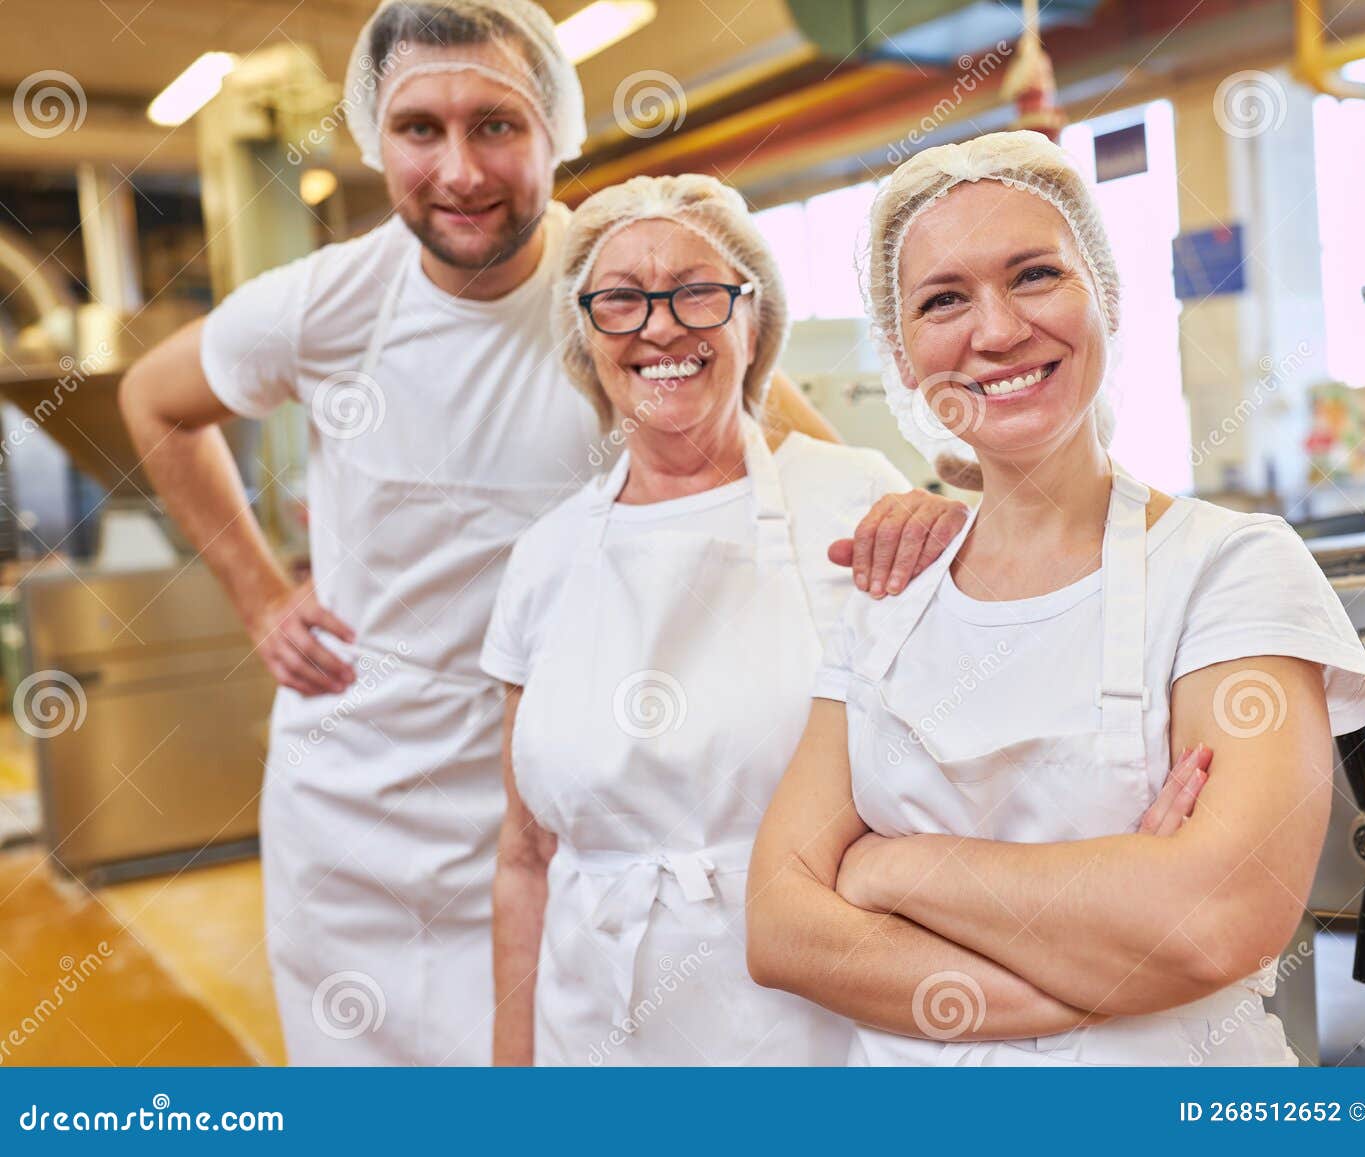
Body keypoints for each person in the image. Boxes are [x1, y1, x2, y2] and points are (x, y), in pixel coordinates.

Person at [117, 0, 949, 1065]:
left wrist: (914, 505)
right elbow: (154, 399)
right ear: (378, 137)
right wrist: (258, 595)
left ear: (557, 133)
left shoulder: (616, 290)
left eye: (497, 126)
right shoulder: (328, 304)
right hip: (356, 808)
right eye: (420, 129)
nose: (459, 170)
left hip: (571, 806)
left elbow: (788, 447)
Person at [746, 131, 1365, 1066]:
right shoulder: (890, 592)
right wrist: (1110, 947)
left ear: (1109, 298)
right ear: (902, 349)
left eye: (1035, 275)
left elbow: (1214, 920)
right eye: (943, 299)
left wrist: (893, 866)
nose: (997, 331)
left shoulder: (1231, 567)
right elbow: (780, 927)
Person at [481, 173, 976, 1065]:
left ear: (756, 324)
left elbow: (964, 766)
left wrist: (961, 533)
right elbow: (523, 857)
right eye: (622, 299)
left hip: (808, 1025)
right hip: (588, 1030)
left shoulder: (858, 500)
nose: (661, 325)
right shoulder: (544, 558)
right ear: (584, 334)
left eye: (699, 291)